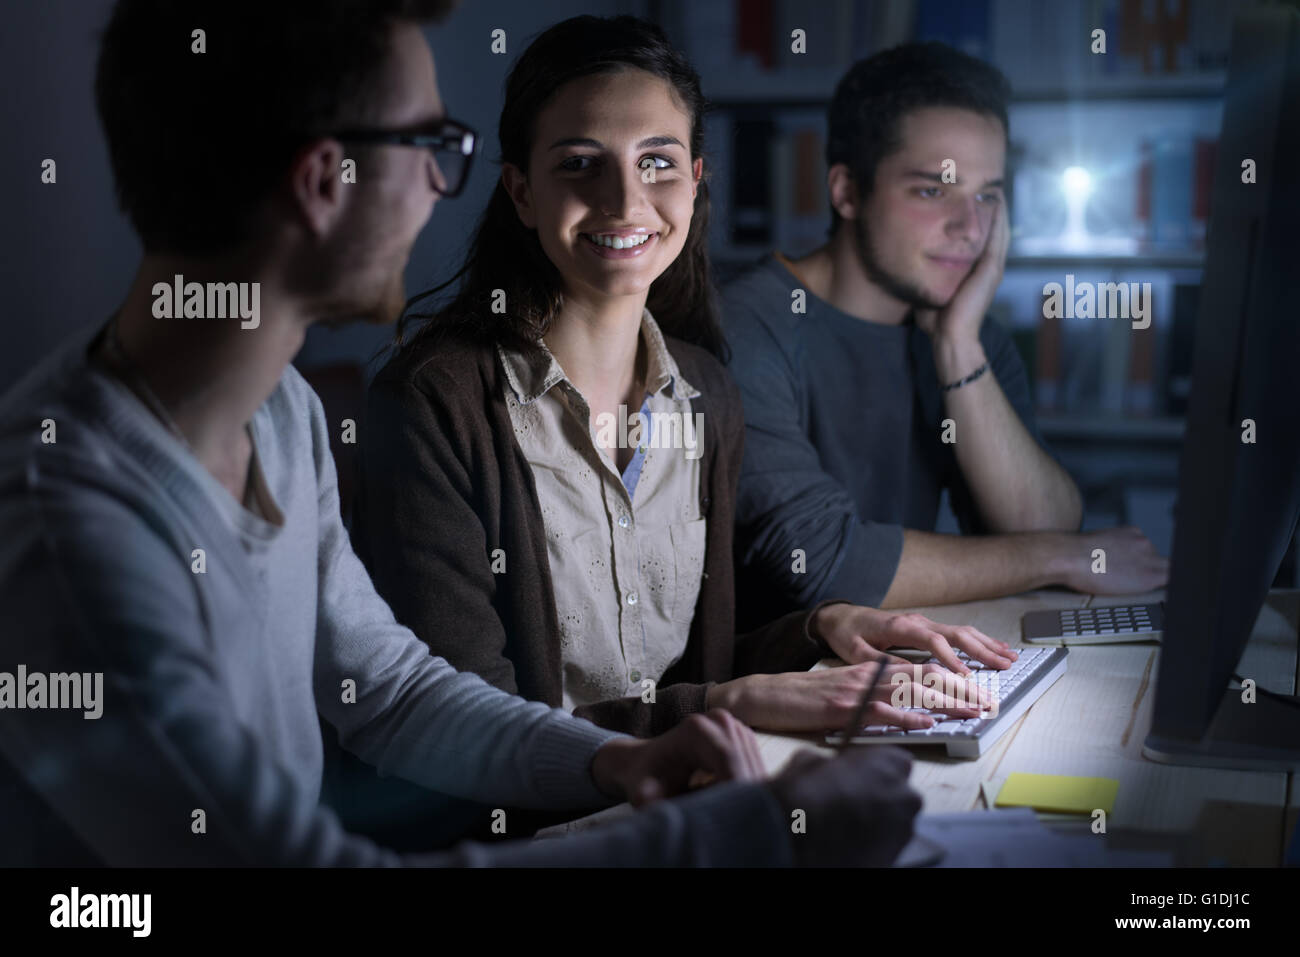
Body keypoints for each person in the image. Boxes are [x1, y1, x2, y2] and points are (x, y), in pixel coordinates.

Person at [0, 0, 919, 868]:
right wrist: (764, 836)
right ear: (325, 181)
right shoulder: (72, 531)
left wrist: (609, 762)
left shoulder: (277, 409)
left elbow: (392, 690)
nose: (446, 185)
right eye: (432, 145)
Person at [351, 13, 1008, 767]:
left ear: (694, 183)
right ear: (522, 192)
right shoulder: (434, 403)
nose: (626, 202)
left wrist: (823, 626)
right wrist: (718, 704)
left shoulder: (705, 391)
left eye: (657, 163)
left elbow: (701, 664)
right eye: (579, 163)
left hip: (689, 794)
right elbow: (465, 728)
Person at [721, 42, 1169, 626]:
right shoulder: (745, 324)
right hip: (767, 692)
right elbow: (820, 564)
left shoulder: (963, 330)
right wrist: (1061, 556)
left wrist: (958, 347)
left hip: (902, 669)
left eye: (988, 195)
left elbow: (1042, 528)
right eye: (933, 191)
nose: (970, 227)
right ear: (847, 191)